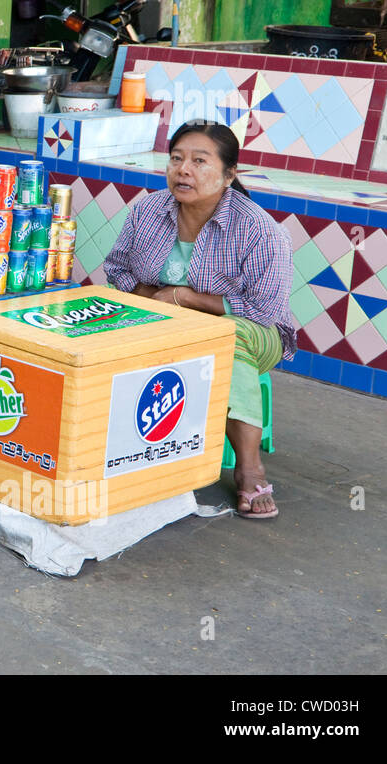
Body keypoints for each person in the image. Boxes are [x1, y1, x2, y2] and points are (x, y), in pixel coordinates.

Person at [103, 120, 295, 520]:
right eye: (176, 159)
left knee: (224, 338)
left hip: (254, 333)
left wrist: (187, 299)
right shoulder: (148, 210)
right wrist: (156, 301)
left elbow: (265, 311)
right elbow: (117, 270)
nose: (183, 170)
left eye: (199, 161)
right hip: (165, 320)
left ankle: (248, 468)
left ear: (229, 175)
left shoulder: (258, 229)